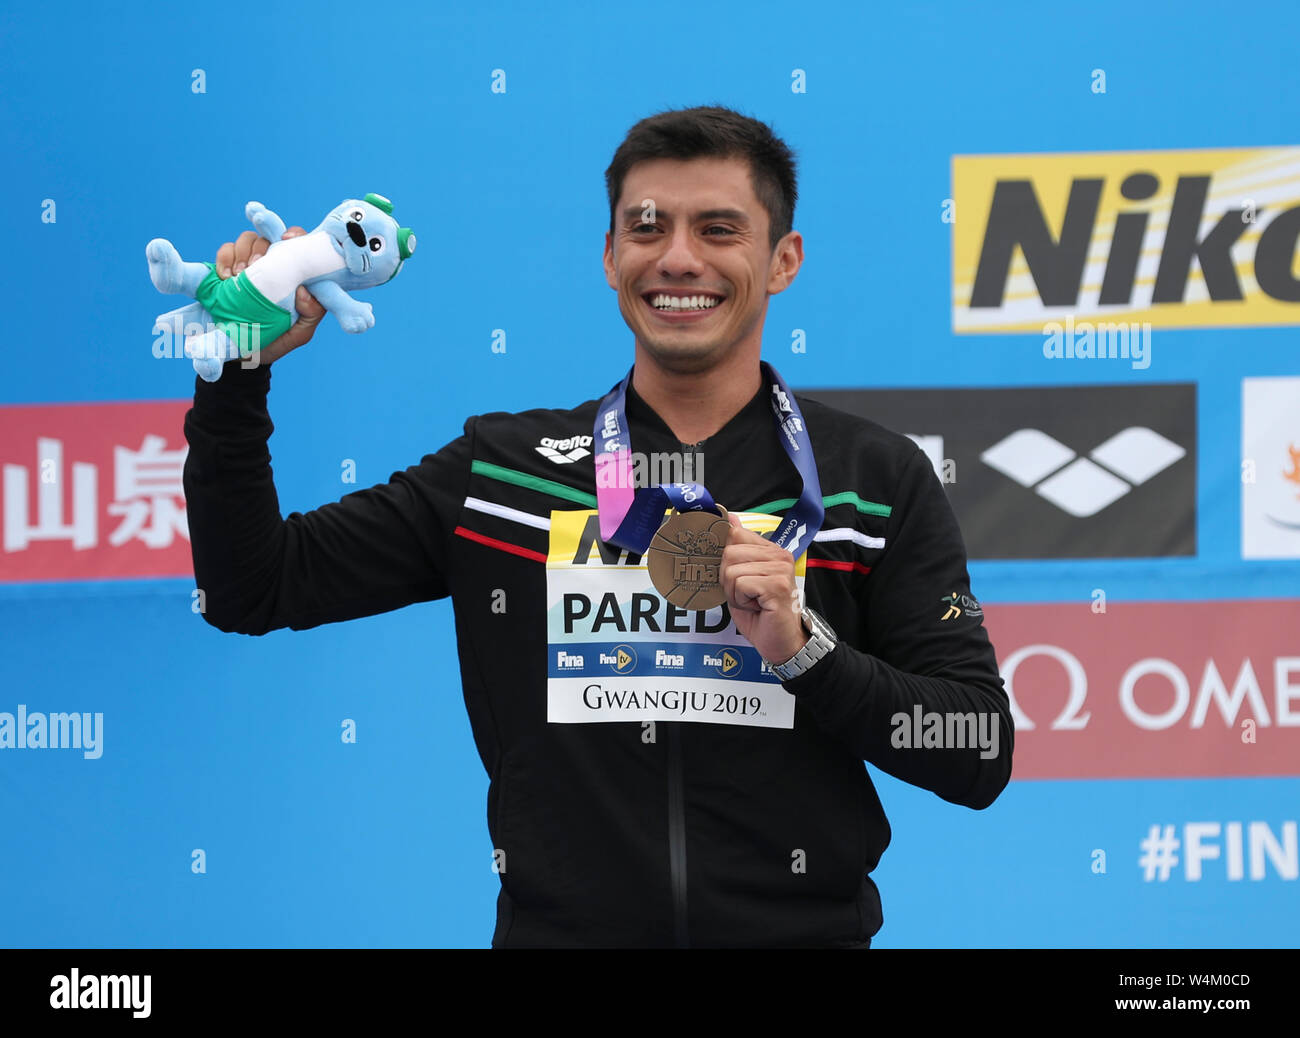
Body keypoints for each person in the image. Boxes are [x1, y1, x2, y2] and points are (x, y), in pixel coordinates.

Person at [183, 104, 1014, 949]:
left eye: (719, 229)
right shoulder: (506, 472)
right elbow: (249, 587)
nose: (679, 257)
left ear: (782, 261)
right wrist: (234, 377)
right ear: (612, 258)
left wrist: (806, 651)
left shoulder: (869, 480)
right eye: (647, 228)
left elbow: (977, 749)